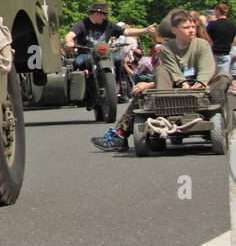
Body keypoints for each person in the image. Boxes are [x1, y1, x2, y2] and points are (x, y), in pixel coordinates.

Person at [93, 9, 227, 152]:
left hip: (204, 88)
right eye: (187, 27)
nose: (191, 30)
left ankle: (226, 126)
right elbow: (172, 72)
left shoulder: (202, 44)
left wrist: (198, 84)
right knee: (145, 90)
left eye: (193, 27)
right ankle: (120, 135)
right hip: (176, 89)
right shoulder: (168, 47)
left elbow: (207, 69)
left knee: (224, 78)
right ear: (174, 30)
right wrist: (153, 85)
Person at [63, 3, 153, 74]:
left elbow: (126, 32)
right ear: (96, 14)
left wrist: (145, 30)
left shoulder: (108, 24)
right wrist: (69, 42)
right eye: (103, 14)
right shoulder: (82, 24)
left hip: (103, 54)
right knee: (77, 62)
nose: (104, 16)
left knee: (118, 59)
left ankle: (120, 85)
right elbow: (69, 35)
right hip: (86, 54)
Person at [207, 3, 235, 76]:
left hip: (214, 53)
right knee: (224, 77)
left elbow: (206, 37)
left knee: (212, 76)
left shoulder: (212, 24)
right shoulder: (232, 25)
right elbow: (232, 40)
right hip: (226, 54)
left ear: (218, 11)